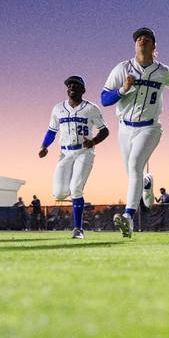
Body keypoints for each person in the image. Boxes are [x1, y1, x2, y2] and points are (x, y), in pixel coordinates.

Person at [101, 27, 169, 238]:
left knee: (135, 164)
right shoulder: (122, 68)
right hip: (125, 128)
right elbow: (104, 99)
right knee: (132, 174)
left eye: (147, 38)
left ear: (154, 46)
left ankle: (128, 217)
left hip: (150, 127)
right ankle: (146, 182)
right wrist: (122, 89)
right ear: (134, 45)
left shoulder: (162, 71)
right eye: (138, 38)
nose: (142, 40)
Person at [39, 75, 109, 240]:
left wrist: (93, 141)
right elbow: (52, 131)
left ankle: (78, 229)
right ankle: (76, 195)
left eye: (76, 85)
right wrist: (44, 145)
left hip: (84, 152)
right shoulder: (58, 108)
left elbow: (105, 131)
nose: (71, 87)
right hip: (65, 153)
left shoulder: (91, 108)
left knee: (76, 188)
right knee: (59, 193)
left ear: (83, 90)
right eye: (69, 85)